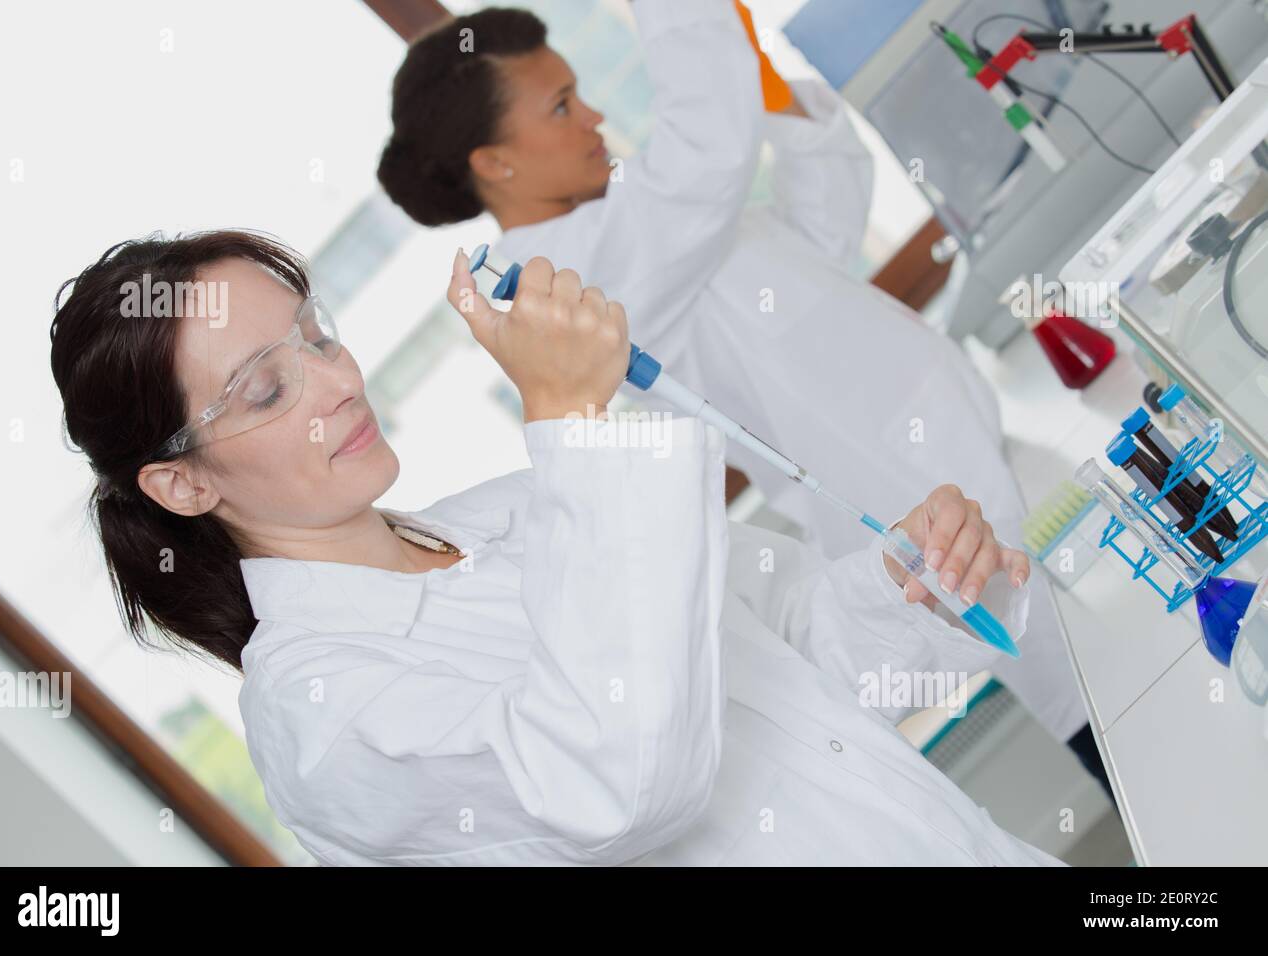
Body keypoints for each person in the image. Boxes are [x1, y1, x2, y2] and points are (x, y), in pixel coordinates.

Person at [49, 229, 1062, 865]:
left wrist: (912, 582)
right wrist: (571, 413)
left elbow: (793, 645)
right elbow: (610, 782)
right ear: (183, 483)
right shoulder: (317, 715)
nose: (338, 381)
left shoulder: (522, 507)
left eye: (315, 336)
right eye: (268, 388)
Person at [376, 0, 1110, 795]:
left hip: (989, 465)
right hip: (939, 522)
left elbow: (817, 242)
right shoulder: (574, 280)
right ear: (496, 164)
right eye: (560, 106)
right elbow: (707, 151)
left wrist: (779, 99)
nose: (593, 116)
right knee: (1127, 714)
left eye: (579, 92)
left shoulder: (645, 232)